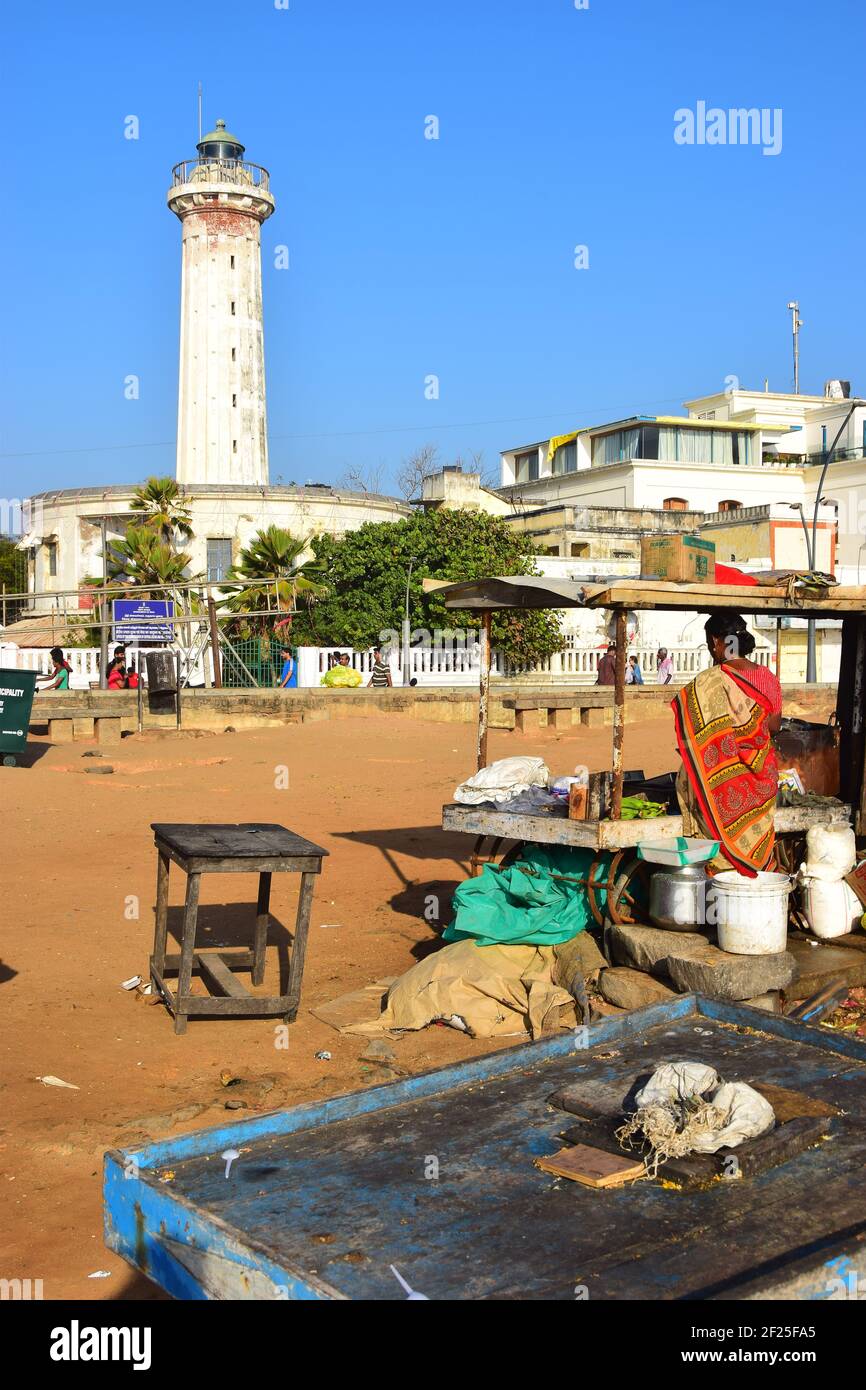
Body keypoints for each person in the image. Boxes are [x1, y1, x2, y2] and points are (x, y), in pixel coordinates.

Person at [671, 611, 782, 877]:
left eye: (712, 643)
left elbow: (696, 731)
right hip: (761, 778)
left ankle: (719, 873)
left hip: (725, 781)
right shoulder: (767, 676)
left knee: (692, 778)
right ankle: (751, 871)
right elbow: (774, 726)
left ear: (716, 641)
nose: (712, 648)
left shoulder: (710, 681)